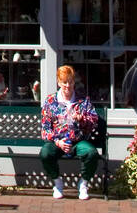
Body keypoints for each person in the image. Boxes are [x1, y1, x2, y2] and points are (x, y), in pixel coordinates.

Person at [40, 64, 99, 200]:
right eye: (64, 82)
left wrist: (82, 119)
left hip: (78, 141)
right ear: (59, 82)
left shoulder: (83, 101)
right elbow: (45, 128)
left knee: (91, 153)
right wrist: (57, 141)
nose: (68, 85)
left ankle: (83, 184)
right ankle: (57, 183)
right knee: (45, 153)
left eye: (70, 82)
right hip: (57, 141)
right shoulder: (50, 101)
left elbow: (93, 122)